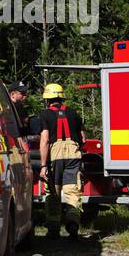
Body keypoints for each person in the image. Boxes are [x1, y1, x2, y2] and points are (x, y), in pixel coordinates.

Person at [38, 84, 86, 239]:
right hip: (73, 153)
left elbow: (45, 140)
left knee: (53, 191)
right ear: (61, 98)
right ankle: (73, 224)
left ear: (47, 100)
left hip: (55, 154)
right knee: (72, 191)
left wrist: (43, 165)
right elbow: (83, 138)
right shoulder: (73, 113)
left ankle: (53, 229)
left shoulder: (45, 115)